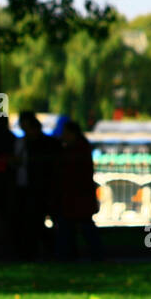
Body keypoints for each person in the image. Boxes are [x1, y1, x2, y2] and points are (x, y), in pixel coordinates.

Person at [12, 111, 61, 258]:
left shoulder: (45, 144)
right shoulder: (22, 142)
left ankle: (45, 250)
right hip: (25, 185)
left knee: (37, 220)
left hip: (39, 187)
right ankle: (34, 250)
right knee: (28, 220)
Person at [54, 116, 103, 261]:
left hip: (75, 196)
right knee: (82, 227)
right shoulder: (81, 148)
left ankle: (69, 256)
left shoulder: (74, 151)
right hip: (78, 197)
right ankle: (90, 255)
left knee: (75, 227)